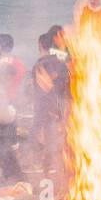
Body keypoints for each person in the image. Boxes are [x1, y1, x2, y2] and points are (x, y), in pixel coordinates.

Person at [31, 34, 70, 177]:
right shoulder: (61, 63)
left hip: (46, 111)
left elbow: (41, 92)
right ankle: (61, 174)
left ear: (40, 45)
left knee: (46, 145)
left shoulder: (39, 65)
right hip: (62, 110)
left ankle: (47, 178)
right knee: (60, 145)